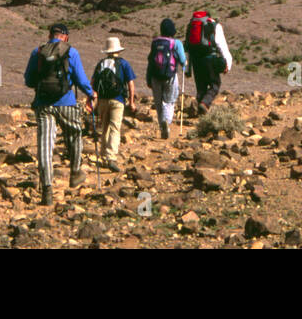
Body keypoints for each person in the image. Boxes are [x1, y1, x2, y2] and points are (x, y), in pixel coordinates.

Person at [24, 23, 95, 206]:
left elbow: (29, 80)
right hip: (67, 103)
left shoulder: (37, 52)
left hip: (43, 105)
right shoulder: (72, 52)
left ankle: (47, 189)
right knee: (75, 134)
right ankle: (75, 172)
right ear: (66, 37)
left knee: (45, 146)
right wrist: (90, 93)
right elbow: (80, 79)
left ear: (50, 35)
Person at [91, 36, 137, 169]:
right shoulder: (123, 63)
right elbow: (130, 83)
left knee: (104, 128)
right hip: (118, 100)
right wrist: (132, 101)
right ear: (119, 50)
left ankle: (104, 156)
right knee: (115, 128)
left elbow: (92, 83)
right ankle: (111, 157)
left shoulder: (101, 63)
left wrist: (93, 98)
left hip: (102, 100)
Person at [184, 9, 232, 112]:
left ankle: (200, 110)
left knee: (201, 87)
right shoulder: (214, 25)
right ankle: (205, 103)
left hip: (195, 60)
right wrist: (228, 63)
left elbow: (187, 48)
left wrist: (187, 69)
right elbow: (222, 46)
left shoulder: (191, 26)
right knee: (215, 84)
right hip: (210, 58)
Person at [146, 18, 187, 139]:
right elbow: (183, 60)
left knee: (158, 103)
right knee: (169, 101)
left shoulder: (155, 42)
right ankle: (167, 123)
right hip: (170, 76)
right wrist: (185, 64)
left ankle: (161, 125)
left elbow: (150, 61)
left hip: (155, 76)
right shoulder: (176, 43)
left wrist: (148, 79)